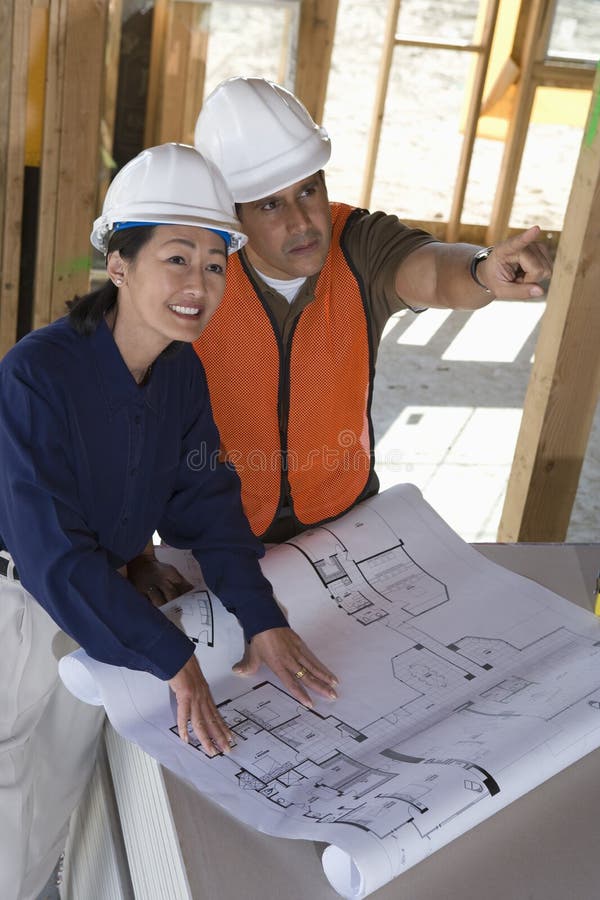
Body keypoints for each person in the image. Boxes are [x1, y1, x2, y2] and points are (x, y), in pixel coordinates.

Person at [0, 142, 336, 900]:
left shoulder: (180, 370)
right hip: (17, 606)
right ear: (119, 265)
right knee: (6, 798)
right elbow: (51, 553)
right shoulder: (36, 374)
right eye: (176, 259)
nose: (198, 285)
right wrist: (172, 657)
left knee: (56, 794)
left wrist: (261, 618)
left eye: (215, 265)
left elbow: (206, 501)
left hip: (103, 609)